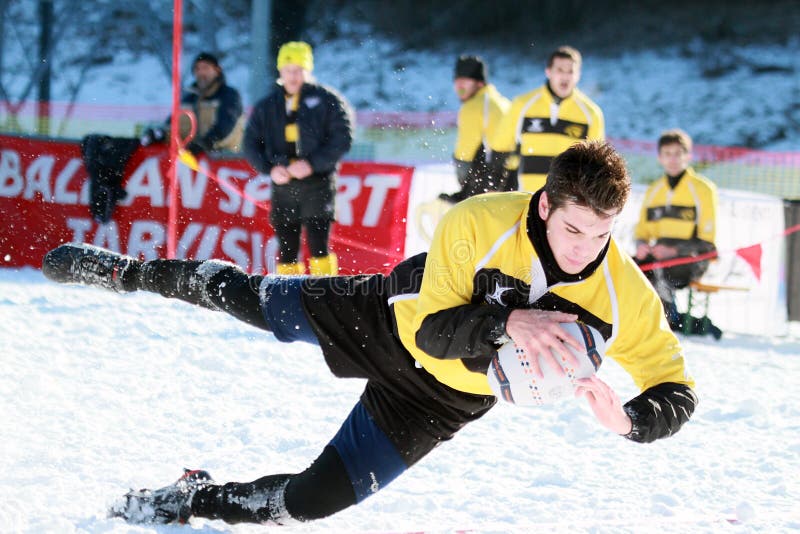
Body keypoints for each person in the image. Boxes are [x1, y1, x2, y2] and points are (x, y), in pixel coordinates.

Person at [42, 140, 697, 526]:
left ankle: (191, 496)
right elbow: (436, 334)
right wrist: (509, 322)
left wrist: (631, 421)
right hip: (385, 319)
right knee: (252, 298)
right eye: (574, 229)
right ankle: (126, 271)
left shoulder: (620, 289)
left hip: (440, 403)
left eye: (603, 234)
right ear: (546, 205)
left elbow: (677, 385)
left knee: (308, 505)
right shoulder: (478, 221)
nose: (587, 249)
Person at [243, 41, 353, 276]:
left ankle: (325, 294)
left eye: (299, 70)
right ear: (280, 71)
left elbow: (342, 138)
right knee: (287, 248)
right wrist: (270, 169)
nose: (293, 76)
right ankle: (288, 296)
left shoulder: (327, 100)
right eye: (288, 70)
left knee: (318, 245)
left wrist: (312, 164)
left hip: (318, 182)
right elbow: (250, 143)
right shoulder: (267, 105)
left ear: (308, 71)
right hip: (283, 186)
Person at [634, 129, 721, 339]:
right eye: (667, 153)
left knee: (659, 270)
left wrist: (673, 250)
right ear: (660, 157)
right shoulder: (653, 190)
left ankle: (669, 321)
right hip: (660, 255)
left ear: (688, 156)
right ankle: (645, 322)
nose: (673, 159)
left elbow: (707, 244)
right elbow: (642, 232)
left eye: (678, 153)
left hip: (693, 258)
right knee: (630, 268)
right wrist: (642, 245)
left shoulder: (703, 190)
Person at [490, 45, 605, 193]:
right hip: (526, 197)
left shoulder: (592, 114)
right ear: (548, 72)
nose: (565, 77)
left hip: (567, 202)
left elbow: (596, 165)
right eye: (560, 70)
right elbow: (499, 150)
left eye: (571, 71)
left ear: (578, 75)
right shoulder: (522, 105)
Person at [438, 55, 512, 204]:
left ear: (479, 83)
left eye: (465, 81)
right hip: (513, 177)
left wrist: (464, 189)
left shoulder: (474, 106)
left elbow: (465, 154)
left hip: (492, 181)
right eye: (457, 81)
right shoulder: (503, 102)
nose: (459, 86)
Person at [141, 52, 245, 155]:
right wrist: (161, 134)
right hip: (192, 158)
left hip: (224, 159)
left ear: (217, 70)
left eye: (206, 68)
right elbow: (172, 125)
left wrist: (205, 143)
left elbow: (225, 124)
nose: (201, 73)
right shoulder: (189, 99)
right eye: (197, 69)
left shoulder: (229, 95)